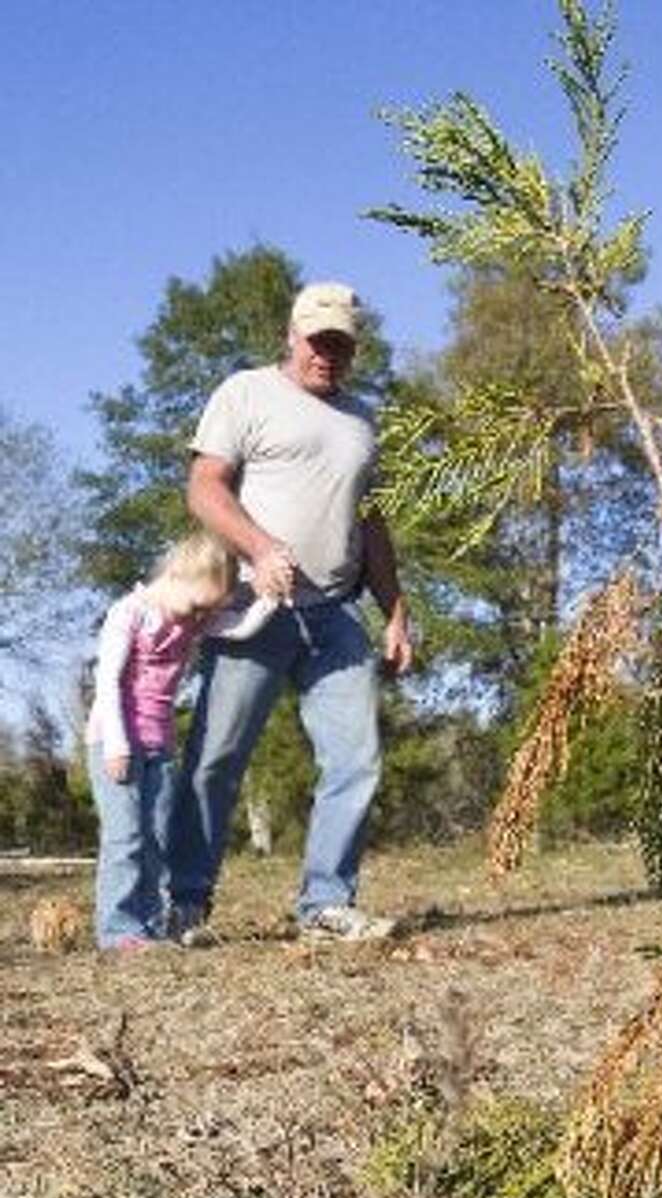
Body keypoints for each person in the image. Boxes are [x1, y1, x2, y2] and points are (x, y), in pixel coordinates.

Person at [166, 281, 412, 944]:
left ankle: (327, 904)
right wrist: (260, 546)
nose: (326, 355)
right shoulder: (246, 393)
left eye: (340, 344)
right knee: (216, 756)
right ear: (292, 335)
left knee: (356, 757)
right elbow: (204, 486)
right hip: (254, 605)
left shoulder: (362, 418)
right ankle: (184, 901)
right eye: (316, 341)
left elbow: (373, 520)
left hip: (336, 611)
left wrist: (395, 610)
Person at [86, 530, 276, 949]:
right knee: (126, 839)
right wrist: (117, 744)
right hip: (115, 743)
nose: (197, 620)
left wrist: (272, 599)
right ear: (175, 575)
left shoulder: (188, 618)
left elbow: (238, 627)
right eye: (196, 607)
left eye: (205, 612)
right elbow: (107, 683)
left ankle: (150, 928)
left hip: (159, 746)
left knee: (156, 840)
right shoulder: (130, 613)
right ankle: (117, 931)